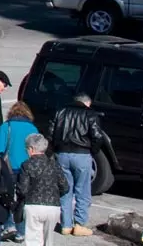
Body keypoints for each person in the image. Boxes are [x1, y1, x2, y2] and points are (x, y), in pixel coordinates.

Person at [49, 93, 118, 236]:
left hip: (62, 154)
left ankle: (66, 224)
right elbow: (98, 136)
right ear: (87, 103)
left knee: (65, 190)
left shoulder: (60, 112)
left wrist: (56, 150)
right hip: (82, 154)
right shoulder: (90, 114)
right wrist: (92, 150)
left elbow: (51, 133)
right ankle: (79, 224)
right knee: (83, 190)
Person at [0, 102, 41, 241]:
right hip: (27, 168)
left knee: (7, 197)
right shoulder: (32, 128)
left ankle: (9, 224)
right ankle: (21, 232)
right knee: (23, 200)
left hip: (8, 168)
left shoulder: (6, 127)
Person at [17, 133, 68, 246]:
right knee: (48, 242)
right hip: (53, 207)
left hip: (33, 205)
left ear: (31, 149)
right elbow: (65, 187)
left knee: (33, 241)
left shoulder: (26, 165)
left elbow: (23, 190)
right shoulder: (54, 164)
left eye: (27, 148)